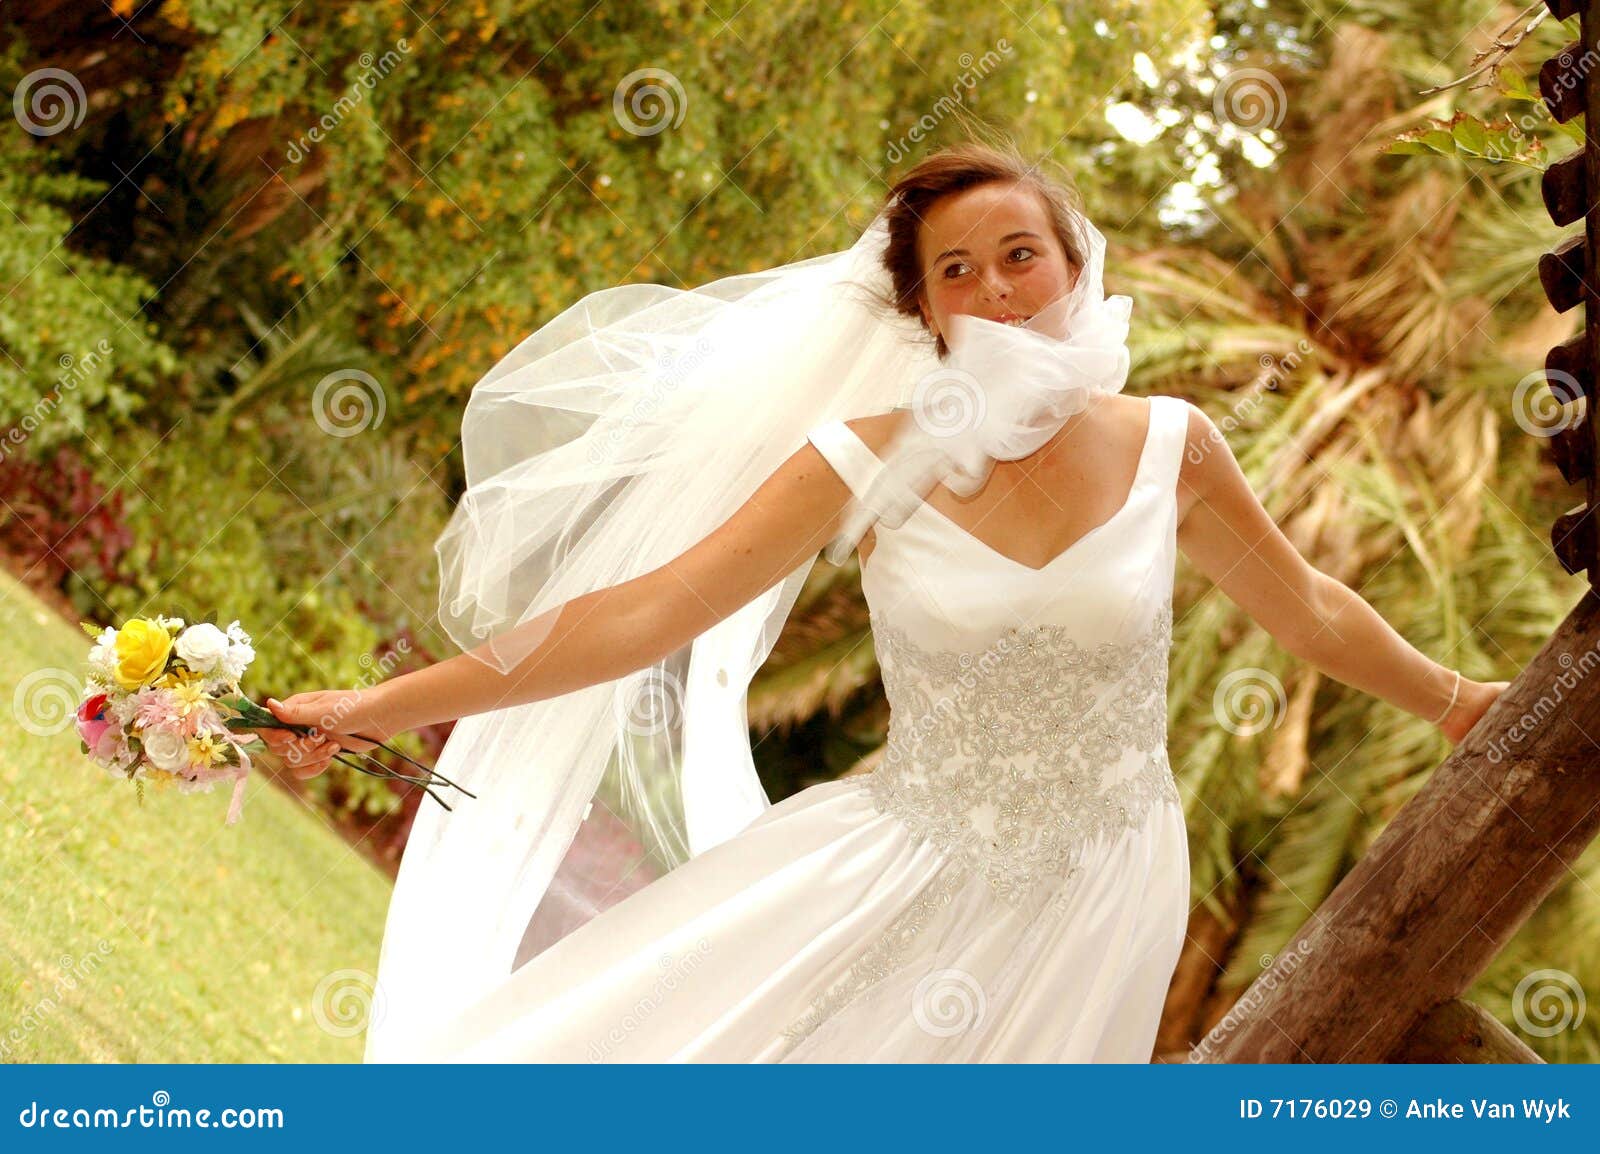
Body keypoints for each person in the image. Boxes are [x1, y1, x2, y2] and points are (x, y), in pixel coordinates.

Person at [253, 141, 1508, 1061]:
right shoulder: (862, 456)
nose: (998, 285)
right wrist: (386, 701)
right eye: (956, 270)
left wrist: (1461, 704)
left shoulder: (1173, 443)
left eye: (1021, 253)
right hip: (893, 857)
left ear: (1076, 264)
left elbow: (1311, 611)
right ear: (923, 307)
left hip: (1108, 887)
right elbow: (637, 613)